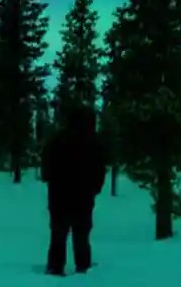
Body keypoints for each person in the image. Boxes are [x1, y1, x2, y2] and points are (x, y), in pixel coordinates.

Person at [40, 103, 107, 276]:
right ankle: (82, 266)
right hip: (83, 195)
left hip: (59, 194)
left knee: (58, 232)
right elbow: (100, 169)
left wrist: (51, 180)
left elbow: (46, 167)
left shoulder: (58, 139)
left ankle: (55, 266)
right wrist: (95, 188)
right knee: (81, 233)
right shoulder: (94, 141)